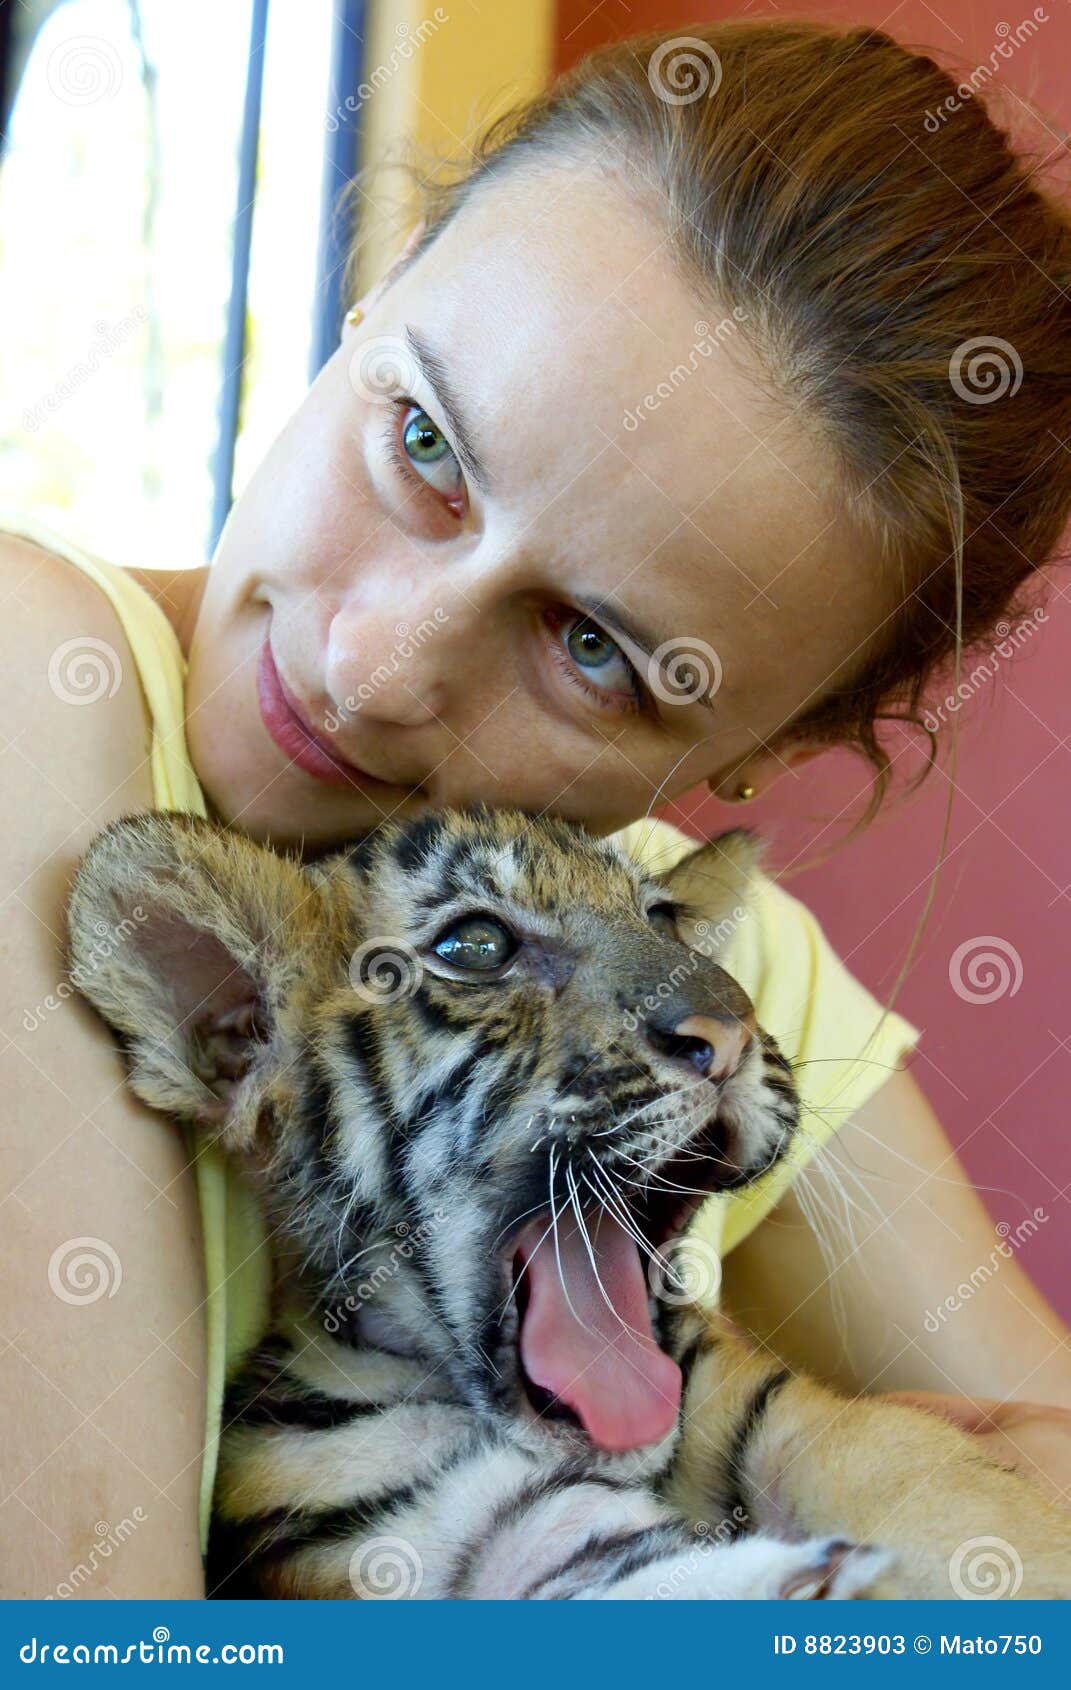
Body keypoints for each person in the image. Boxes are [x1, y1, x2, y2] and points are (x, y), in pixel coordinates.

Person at [3, 19, 1070, 1599]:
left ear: (775, 745)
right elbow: (88, 1634)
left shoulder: (697, 953)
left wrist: (845, 1476)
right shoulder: (39, 678)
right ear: (388, 278)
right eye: (422, 441)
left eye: (596, 652)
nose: (370, 667)